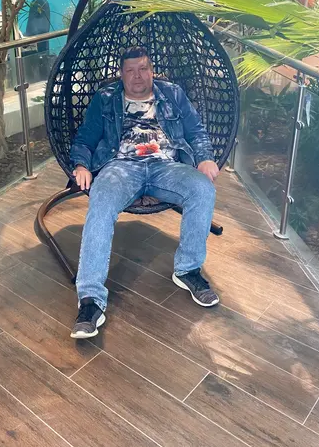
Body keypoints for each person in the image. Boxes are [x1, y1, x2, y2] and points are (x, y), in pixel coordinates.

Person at [69, 46, 221, 339]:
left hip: (166, 165)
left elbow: (196, 131)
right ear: (121, 74)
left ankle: (188, 270)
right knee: (101, 201)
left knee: (202, 189)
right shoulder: (105, 98)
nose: (137, 76)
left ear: (152, 71)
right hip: (120, 166)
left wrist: (204, 157)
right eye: (130, 70)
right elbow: (85, 138)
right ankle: (90, 300)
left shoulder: (172, 94)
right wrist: (81, 165)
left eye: (142, 69)